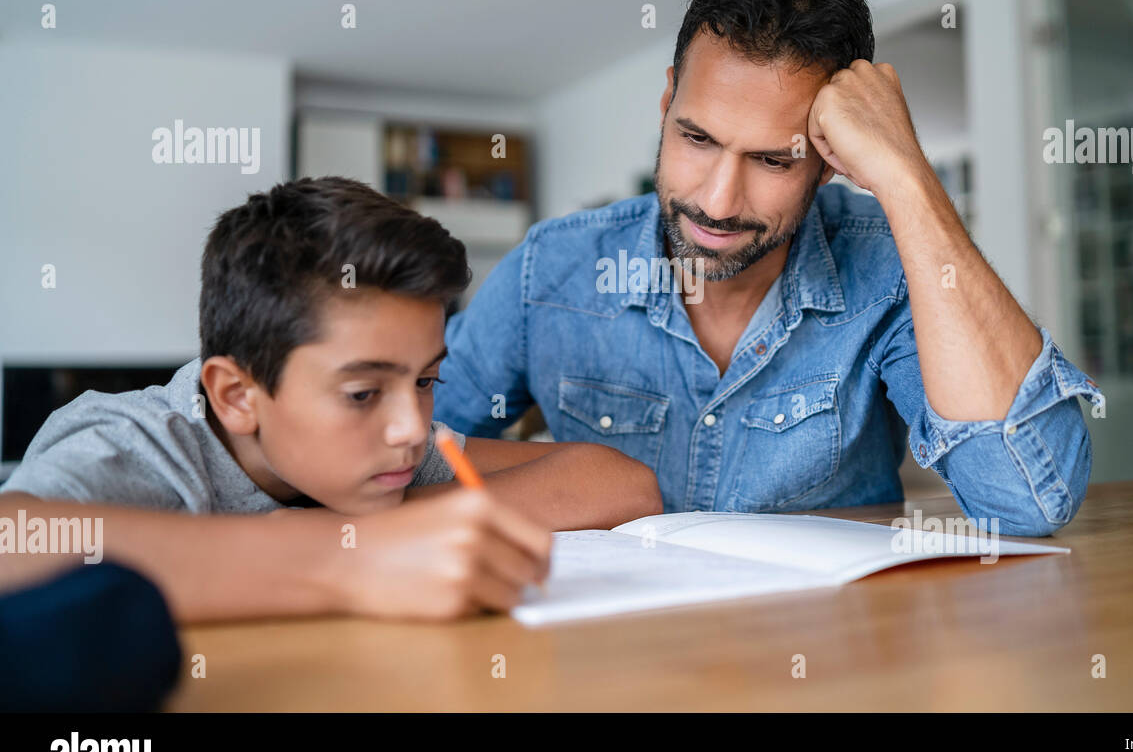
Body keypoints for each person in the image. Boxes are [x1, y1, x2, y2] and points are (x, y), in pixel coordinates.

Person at [434, 0, 1103, 537]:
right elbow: (399, 455)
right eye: (696, 138)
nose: (718, 203)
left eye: (772, 162)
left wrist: (906, 176)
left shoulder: (887, 272)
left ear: (830, 158)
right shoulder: (550, 269)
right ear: (667, 101)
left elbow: (1027, 501)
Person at [0, 177, 662, 621]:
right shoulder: (139, 446)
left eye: (426, 381)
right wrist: (345, 555)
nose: (411, 426)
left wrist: (386, 524)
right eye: (363, 391)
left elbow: (618, 482)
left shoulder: (387, 453)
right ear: (236, 395)